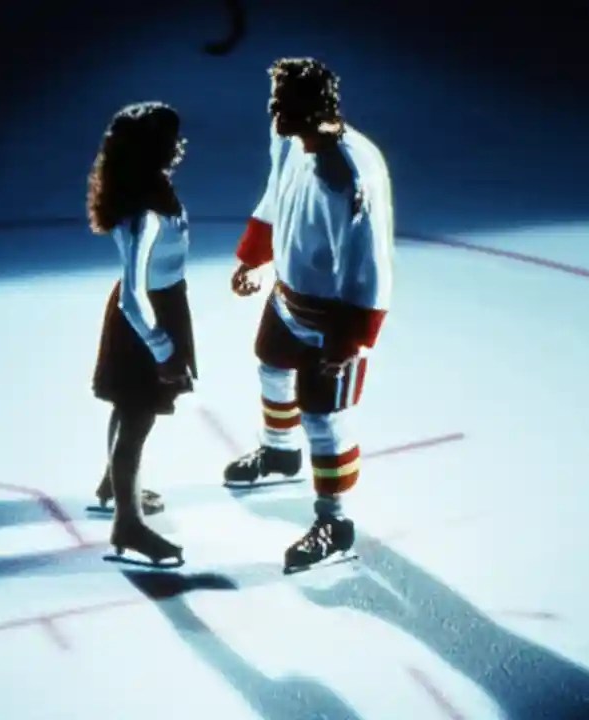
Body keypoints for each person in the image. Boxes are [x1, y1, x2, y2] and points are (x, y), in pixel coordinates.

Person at [223, 58, 394, 572]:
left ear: (315, 108)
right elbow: (277, 193)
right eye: (274, 99)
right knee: (270, 367)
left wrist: (351, 340)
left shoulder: (353, 175)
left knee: (326, 419)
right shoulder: (289, 140)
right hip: (287, 298)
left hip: (330, 319)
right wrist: (255, 257)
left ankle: (335, 522)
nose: (275, 110)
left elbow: (369, 263)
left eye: (284, 102)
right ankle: (279, 451)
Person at [88, 101, 194, 566]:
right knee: (137, 416)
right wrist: (162, 348)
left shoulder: (152, 190)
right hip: (147, 319)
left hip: (163, 306)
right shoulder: (144, 213)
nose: (179, 146)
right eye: (171, 139)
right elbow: (134, 296)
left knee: (127, 407)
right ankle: (127, 523)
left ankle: (114, 483)